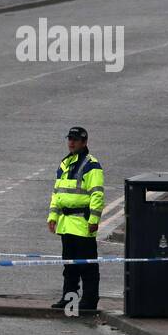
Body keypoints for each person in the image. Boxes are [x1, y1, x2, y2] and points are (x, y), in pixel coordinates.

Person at [48, 126, 104, 313]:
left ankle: (89, 302)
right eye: (69, 139)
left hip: (83, 223)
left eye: (75, 139)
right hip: (66, 224)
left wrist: (94, 220)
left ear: (84, 142)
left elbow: (97, 195)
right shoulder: (65, 164)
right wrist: (52, 216)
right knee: (69, 266)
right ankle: (69, 298)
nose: (71, 143)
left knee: (87, 266)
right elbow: (57, 193)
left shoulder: (91, 165)